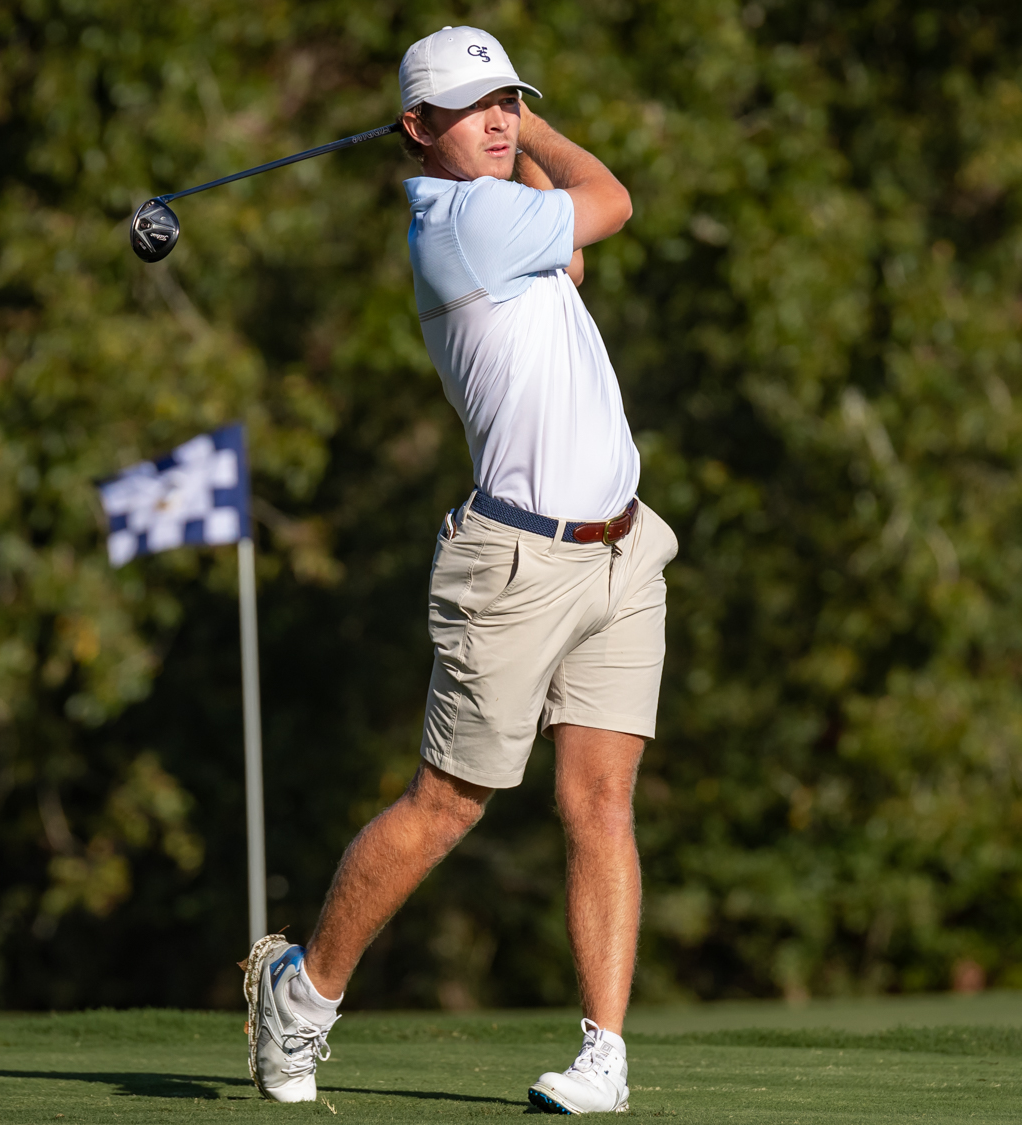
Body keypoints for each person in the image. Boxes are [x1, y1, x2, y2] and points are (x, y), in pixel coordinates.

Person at [239, 24, 675, 1116]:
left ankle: (603, 1056)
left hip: (622, 549)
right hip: (515, 564)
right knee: (447, 804)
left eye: (509, 101)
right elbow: (608, 203)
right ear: (416, 130)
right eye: (477, 107)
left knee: (602, 802)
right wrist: (541, 133)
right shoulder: (462, 225)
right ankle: (301, 995)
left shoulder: (504, 216)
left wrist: (506, 136)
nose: (500, 120)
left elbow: (571, 253)